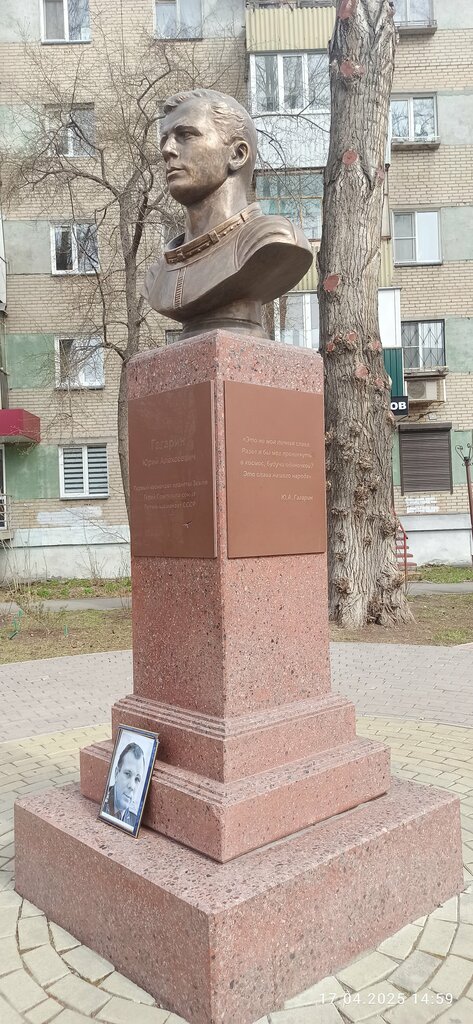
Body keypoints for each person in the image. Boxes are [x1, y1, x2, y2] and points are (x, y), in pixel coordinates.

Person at [142, 89, 312, 338]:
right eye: (165, 139)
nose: (167, 150)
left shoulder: (273, 240)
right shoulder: (157, 278)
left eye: (185, 135)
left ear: (237, 154)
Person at [103, 742, 145, 827]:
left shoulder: (134, 820)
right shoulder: (102, 805)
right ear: (116, 773)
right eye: (127, 774)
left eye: (137, 779)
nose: (132, 786)